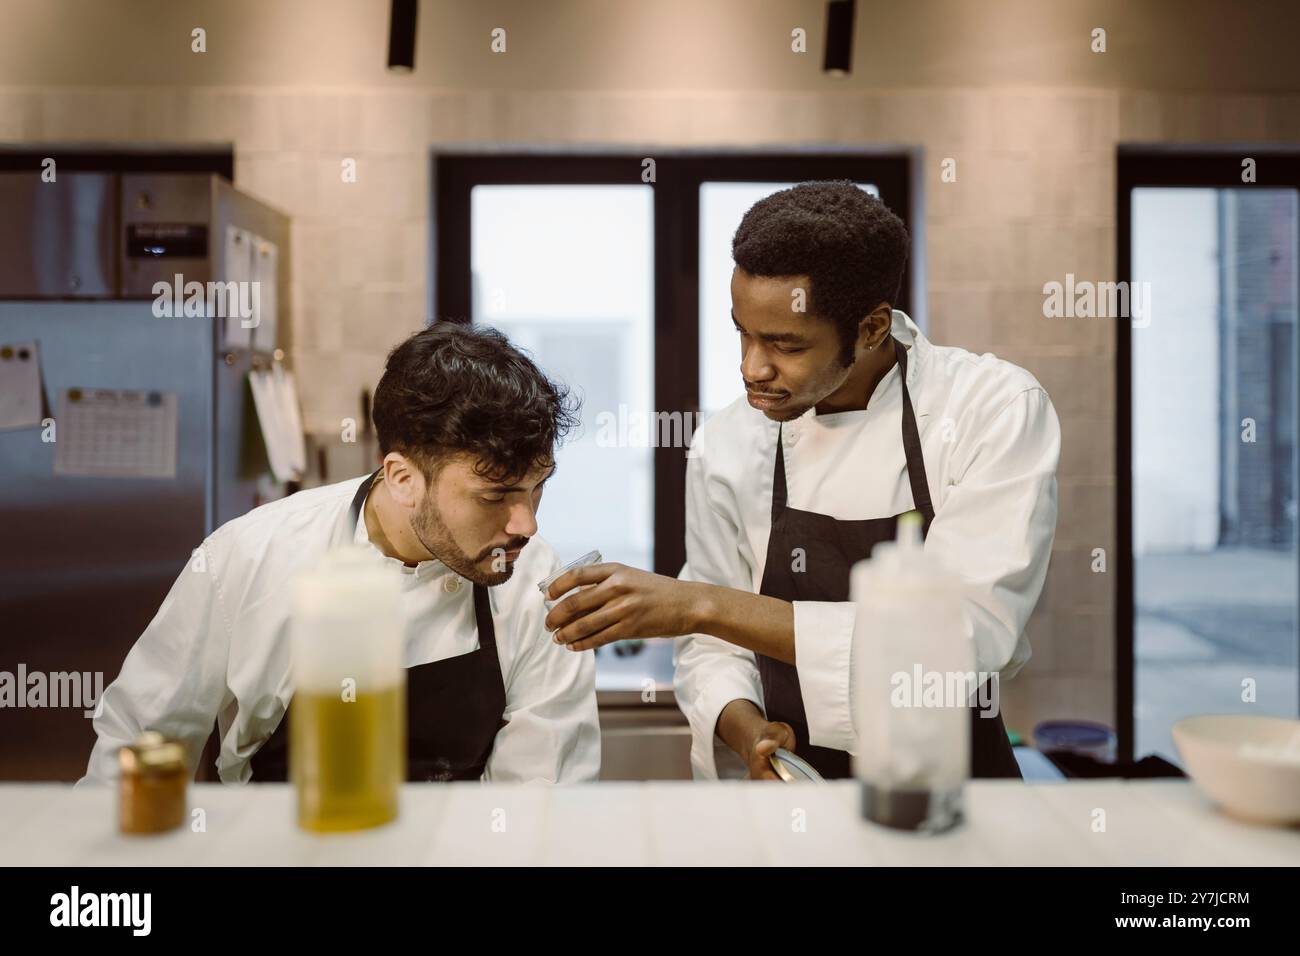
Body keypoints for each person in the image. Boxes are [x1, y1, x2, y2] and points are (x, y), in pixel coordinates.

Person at [543, 181, 1060, 781]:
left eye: (784, 344)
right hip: (793, 780)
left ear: (871, 328)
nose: (751, 368)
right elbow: (714, 648)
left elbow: (962, 637)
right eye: (742, 332)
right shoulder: (728, 442)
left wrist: (701, 604)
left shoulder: (991, 409)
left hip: (952, 781)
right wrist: (746, 730)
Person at [82, 322, 600, 784]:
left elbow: (538, 798)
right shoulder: (249, 557)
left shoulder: (536, 577)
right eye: (493, 496)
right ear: (402, 478)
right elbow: (139, 740)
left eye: (537, 487)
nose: (527, 524)